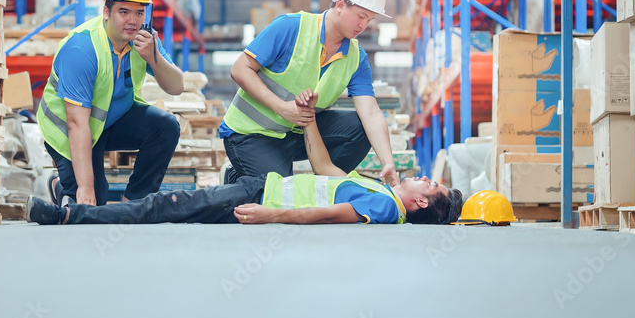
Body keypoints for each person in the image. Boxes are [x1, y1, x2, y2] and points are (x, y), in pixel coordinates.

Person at [26, 90, 464, 226]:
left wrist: (269, 216)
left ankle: (72, 216)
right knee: (180, 208)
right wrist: (307, 118)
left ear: (422, 203)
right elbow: (327, 171)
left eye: (430, 184)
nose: (425, 176)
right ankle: (82, 212)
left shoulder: (386, 206)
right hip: (265, 186)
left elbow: (326, 212)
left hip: (264, 195)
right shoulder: (381, 193)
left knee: (170, 205)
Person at [219, 0, 398, 185]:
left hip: (296, 134)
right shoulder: (290, 27)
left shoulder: (356, 57)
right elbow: (240, 69)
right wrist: (281, 107)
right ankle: (235, 175)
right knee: (277, 197)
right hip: (251, 134)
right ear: (340, 5)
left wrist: (388, 162)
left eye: (369, 19)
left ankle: (324, 186)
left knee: (359, 126)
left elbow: (371, 112)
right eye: (361, 16)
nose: (363, 25)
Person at [37, 0, 185, 206]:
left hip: (110, 121)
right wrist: (86, 189)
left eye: (139, 12)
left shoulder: (145, 41)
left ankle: (135, 202)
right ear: (107, 12)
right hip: (69, 127)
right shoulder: (82, 48)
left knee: (166, 126)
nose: (133, 21)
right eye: (124, 12)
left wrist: (153, 58)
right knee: (92, 203)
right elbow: (77, 124)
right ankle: (60, 184)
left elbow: (177, 86)